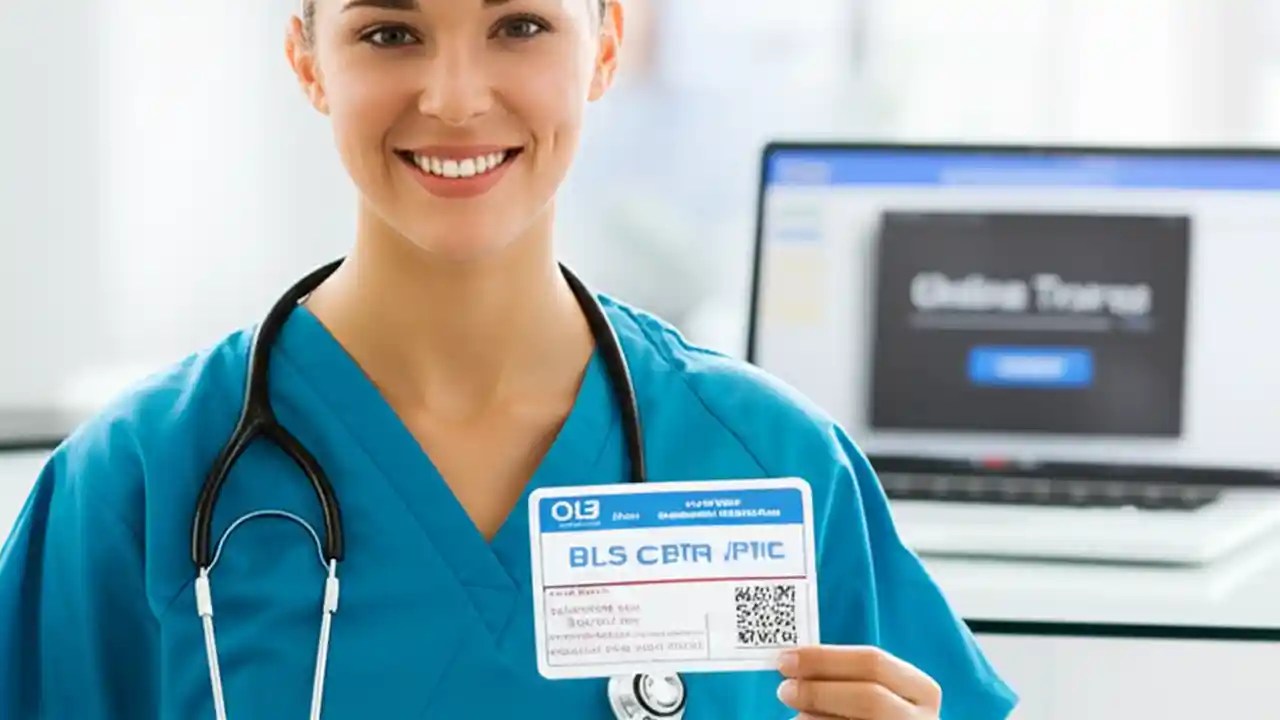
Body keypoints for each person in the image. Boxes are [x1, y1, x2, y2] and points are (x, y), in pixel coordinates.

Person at [0, 0, 1017, 717]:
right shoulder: (136, 476)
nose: (452, 96)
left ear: (606, 44)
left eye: (519, 25)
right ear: (308, 61)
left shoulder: (767, 457)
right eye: (389, 32)